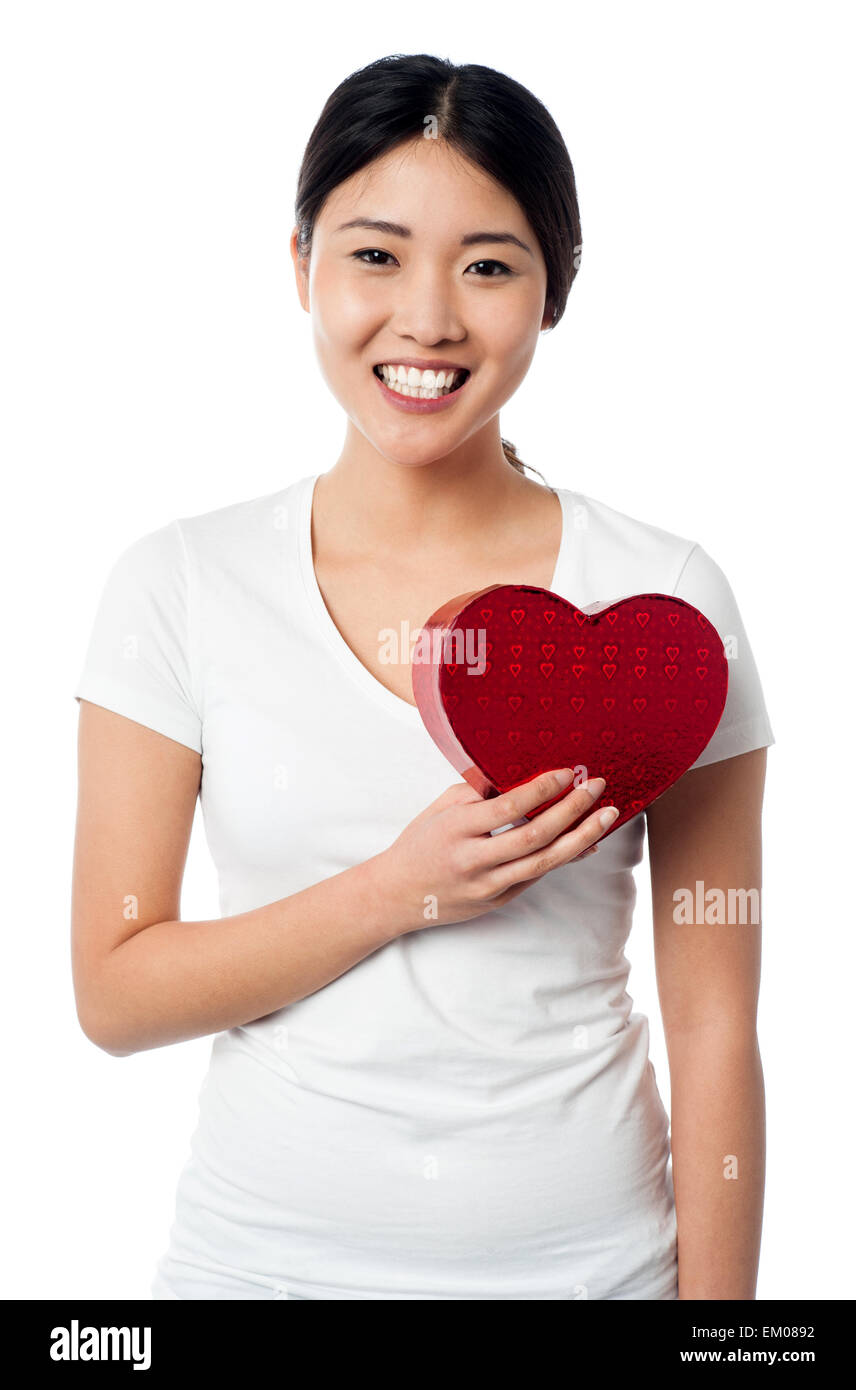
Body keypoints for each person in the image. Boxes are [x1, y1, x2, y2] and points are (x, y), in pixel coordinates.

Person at [71, 53, 773, 1301]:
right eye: (376, 254)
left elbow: (715, 1026)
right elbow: (116, 995)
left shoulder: (664, 607)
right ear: (301, 267)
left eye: (490, 264)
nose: (431, 319)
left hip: (593, 1277)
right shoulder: (179, 582)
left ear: (554, 292)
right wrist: (397, 890)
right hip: (255, 1277)